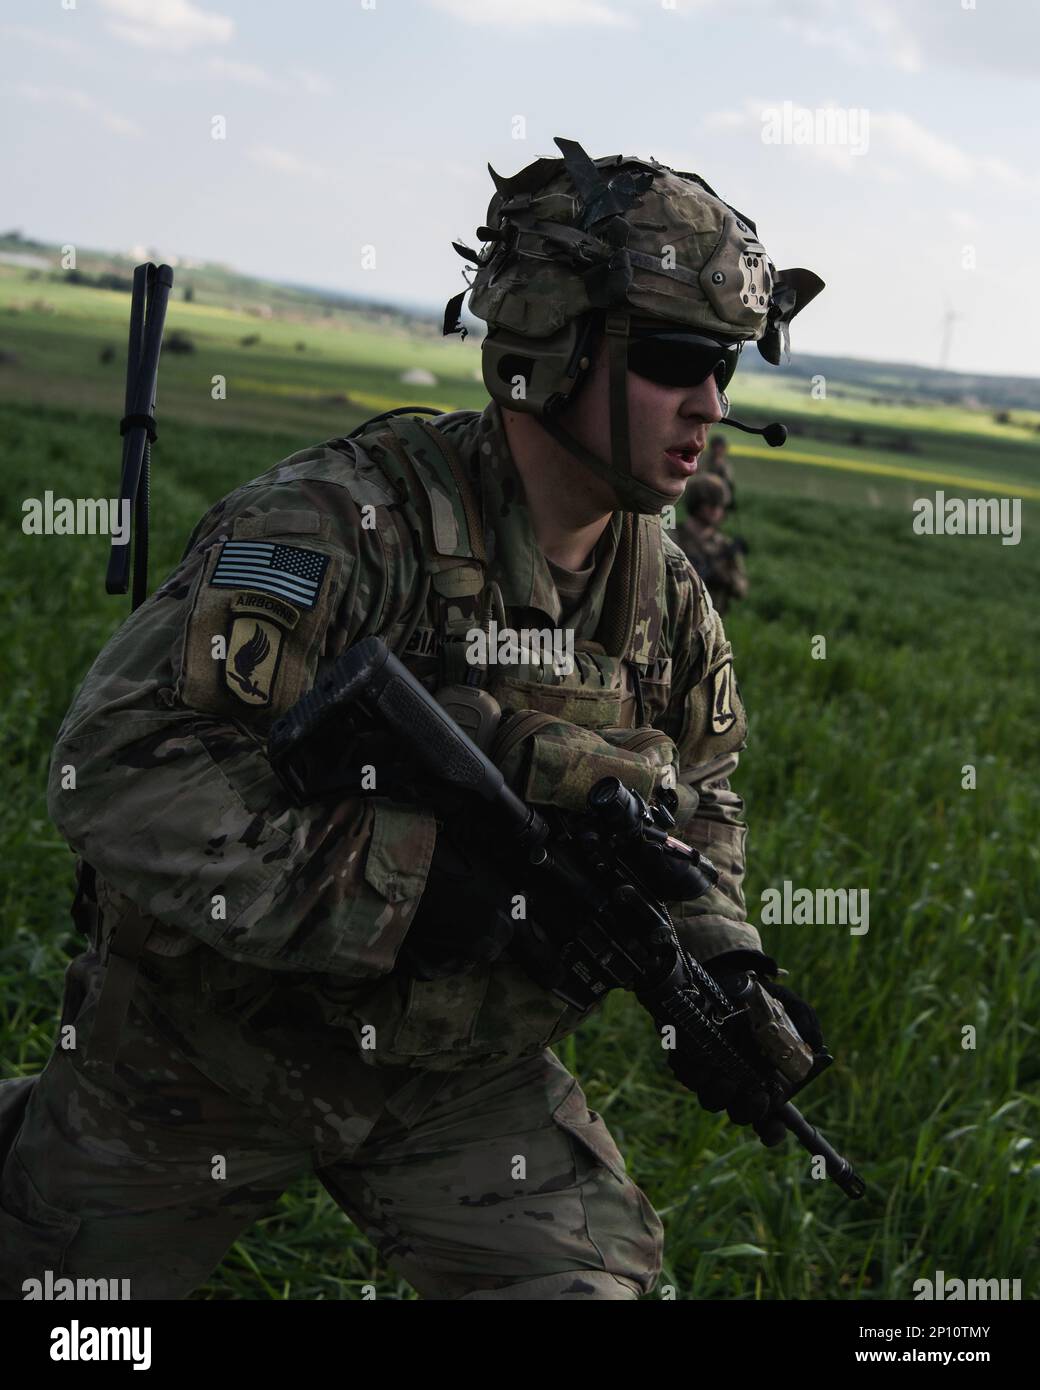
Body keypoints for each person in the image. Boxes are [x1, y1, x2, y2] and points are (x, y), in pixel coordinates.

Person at [0, 138, 824, 1301]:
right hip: (204, 1047)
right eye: (679, 358)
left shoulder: (670, 605)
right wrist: (410, 885)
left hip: (456, 1077)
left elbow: (704, 806)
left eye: (726, 364)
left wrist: (721, 966)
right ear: (549, 344)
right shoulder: (338, 524)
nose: (711, 402)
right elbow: (120, 766)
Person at [678, 474, 749, 616]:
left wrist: (724, 577)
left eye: (720, 505)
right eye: (711, 504)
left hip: (710, 622)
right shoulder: (674, 538)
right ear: (696, 503)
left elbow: (741, 590)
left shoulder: (724, 546)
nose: (717, 510)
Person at [701, 434, 737, 508]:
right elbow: (701, 474)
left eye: (721, 448)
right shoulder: (706, 461)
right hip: (707, 487)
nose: (718, 450)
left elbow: (728, 479)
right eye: (717, 447)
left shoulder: (725, 464)